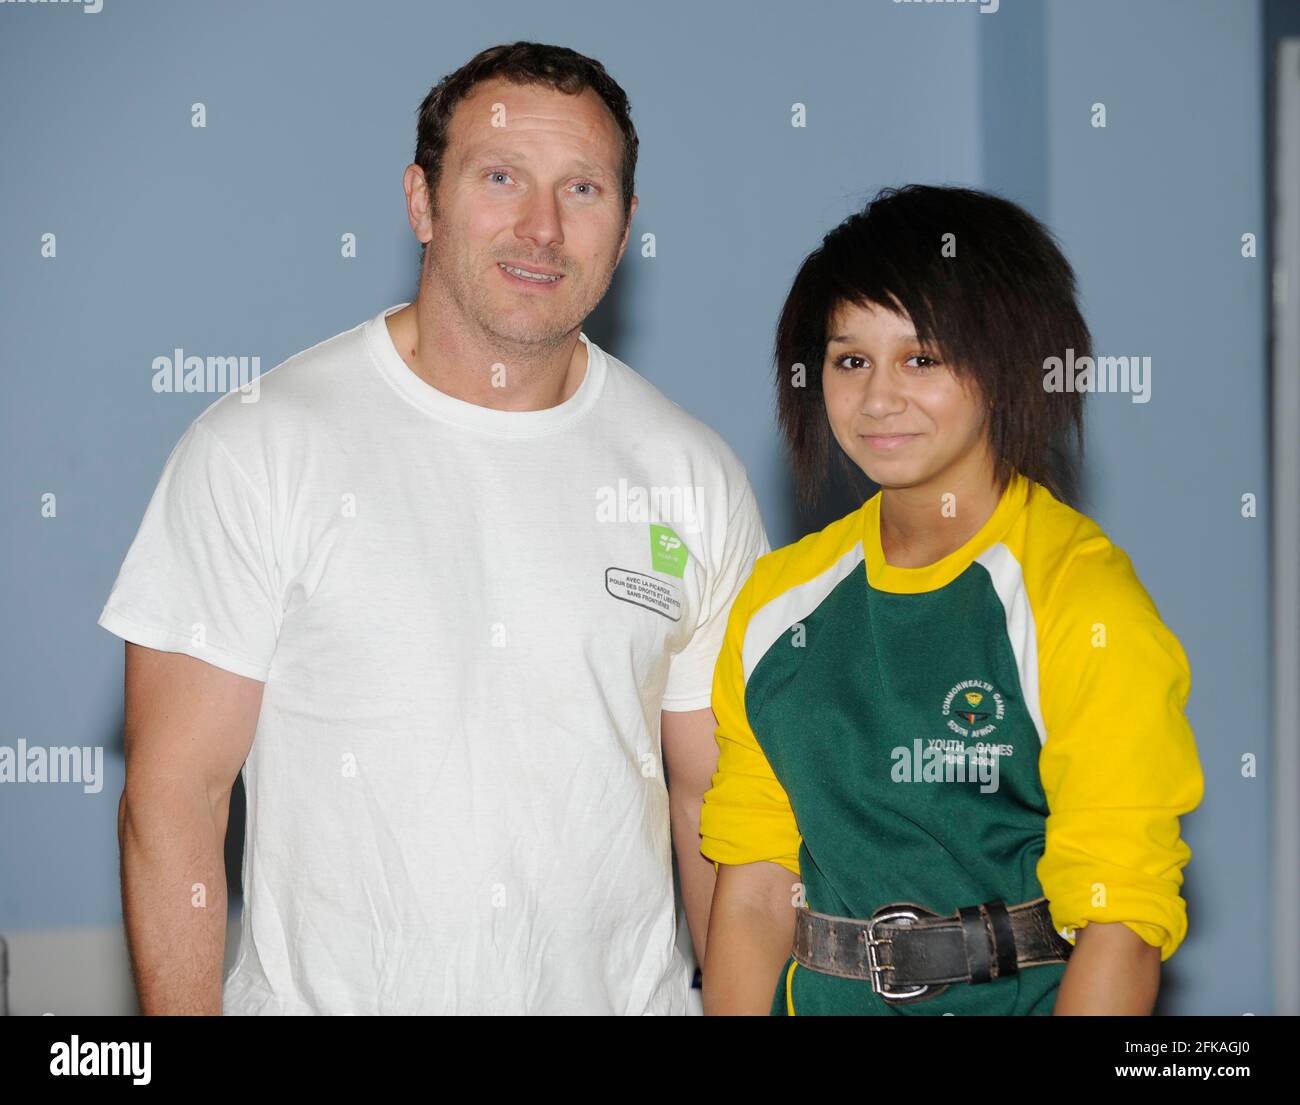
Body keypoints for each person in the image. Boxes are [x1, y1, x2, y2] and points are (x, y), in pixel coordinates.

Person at [100, 42, 769, 1015]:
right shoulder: (262, 447)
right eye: (501, 178)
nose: (541, 228)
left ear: (623, 232)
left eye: (581, 190)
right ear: (422, 201)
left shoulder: (690, 473)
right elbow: (173, 800)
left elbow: (713, 802)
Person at [698, 184, 1204, 1015]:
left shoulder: (1081, 597)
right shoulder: (778, 601)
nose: (878, 397)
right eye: (850, 358)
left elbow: (1123, 923)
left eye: (923, 358)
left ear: (1007, 367)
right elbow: (754, 888)